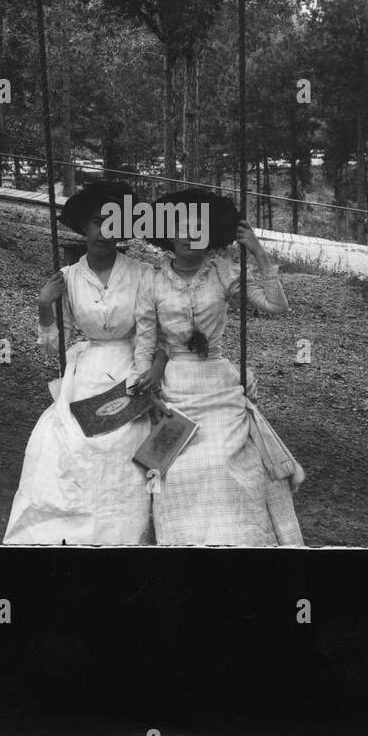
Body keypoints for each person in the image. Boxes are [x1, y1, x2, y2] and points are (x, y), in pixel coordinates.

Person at [129, 189, 305, 546]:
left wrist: (257, 250)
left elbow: (276, 306)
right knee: (178, 472)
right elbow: (145, 345)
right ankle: (184, 543)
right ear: (169, 234)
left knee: (227, 466)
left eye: (199, 229)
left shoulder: (223, 272)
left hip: (218, 382)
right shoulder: (152, 279)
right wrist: (148, 395)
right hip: (175, 384)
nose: (191, 236)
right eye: (182, 228)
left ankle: (239, 542)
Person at [4, 181, 166, 545]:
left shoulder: (142, 273)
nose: (104, 231)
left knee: (128, 440)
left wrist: (153, 369)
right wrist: (45, 304)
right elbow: (53, 346)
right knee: (59, 441)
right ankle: (67, 530)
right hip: (87, 368)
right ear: (85, 229)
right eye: (97, 222)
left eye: (113, 223)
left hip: (132, 365)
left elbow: (157, 332)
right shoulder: (69, 277)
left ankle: (123, 532)